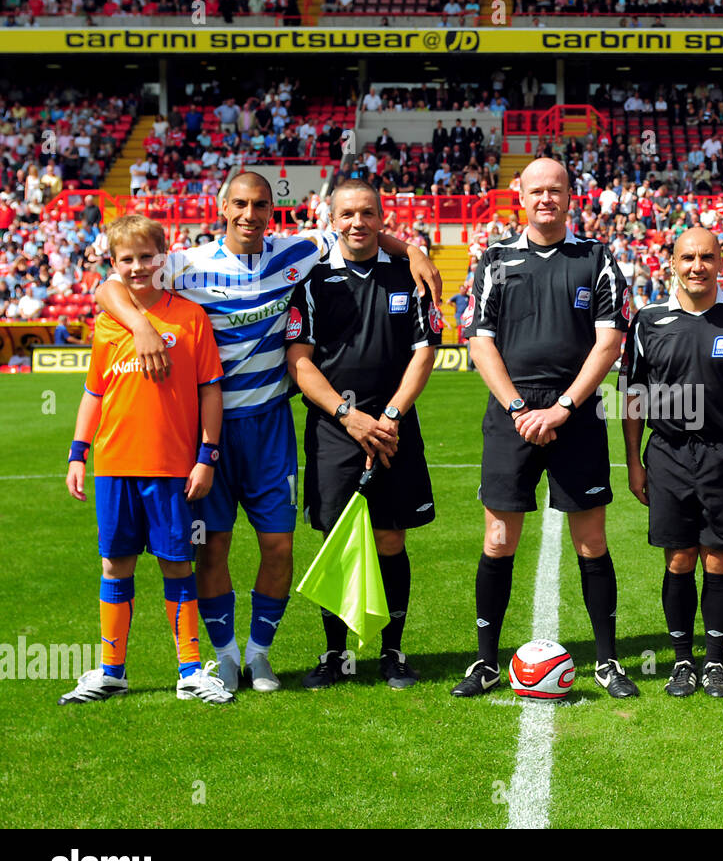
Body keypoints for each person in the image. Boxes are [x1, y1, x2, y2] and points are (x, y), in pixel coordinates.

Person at [93, 172, 440, 695]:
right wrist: (141, 325)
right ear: (221, 206)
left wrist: (410, 249)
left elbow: (357, 229)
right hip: (206, 431)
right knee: (212, 547)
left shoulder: (299, 252)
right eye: (239, 204)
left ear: (271, 209)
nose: (249, 214)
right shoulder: (185, 265)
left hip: (270, 423)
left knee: (278, 546)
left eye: (259, 204)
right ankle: (225, 657)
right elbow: (111, 284)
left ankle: (260, 656)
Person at [456, 157, 636, 699]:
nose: (546, 199)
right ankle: (486, 662)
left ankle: (606, 661)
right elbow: (479, 339)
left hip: (575, 413)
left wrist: (561, 408)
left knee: (591, 541)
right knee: (497, 540)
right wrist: (516, 408)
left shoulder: (597, 258)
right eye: (536, 190)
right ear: (521, 197)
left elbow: (609, 342)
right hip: (511, 414)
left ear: (569, 196)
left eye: (555, 190)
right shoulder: (494, 260)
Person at [60, 215, 233, 706]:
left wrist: (206, 456)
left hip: (171, 467)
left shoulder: (189, 318)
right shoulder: (107, 322)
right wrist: (79, 453)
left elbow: (210, 391)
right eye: (127, 260)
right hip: (113, 465)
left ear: (165, 257)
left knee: (178, 565)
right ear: (114, 265)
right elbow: (94, 392)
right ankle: (111, 671)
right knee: (115, 564)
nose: (138, 267)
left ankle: (191, 671)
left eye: (146, 257)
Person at [284, 180, 438, 690]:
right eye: (347, 213)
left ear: (381, 217)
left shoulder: (409, 276)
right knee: (338, 542)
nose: (357, 223)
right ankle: (334, 655)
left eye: (367, 213)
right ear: (332, 219)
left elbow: (424, 352)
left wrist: (391, 413)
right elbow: (300, 363)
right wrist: (347, 414)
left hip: (395, 426)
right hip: (335, 428)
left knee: (391, 537)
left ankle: (392, 653)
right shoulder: (310, 280)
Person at [620, 227, 723, 699]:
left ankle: (714, 663)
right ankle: (681, 662)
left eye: (706, 257)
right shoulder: (648, 321)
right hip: (667, 454)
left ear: (721, 261)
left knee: (719, 559)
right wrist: (633, 460)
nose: (696, 266)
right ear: (672, 261)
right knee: (679, 559)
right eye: (687, 257)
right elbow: (633, 397)